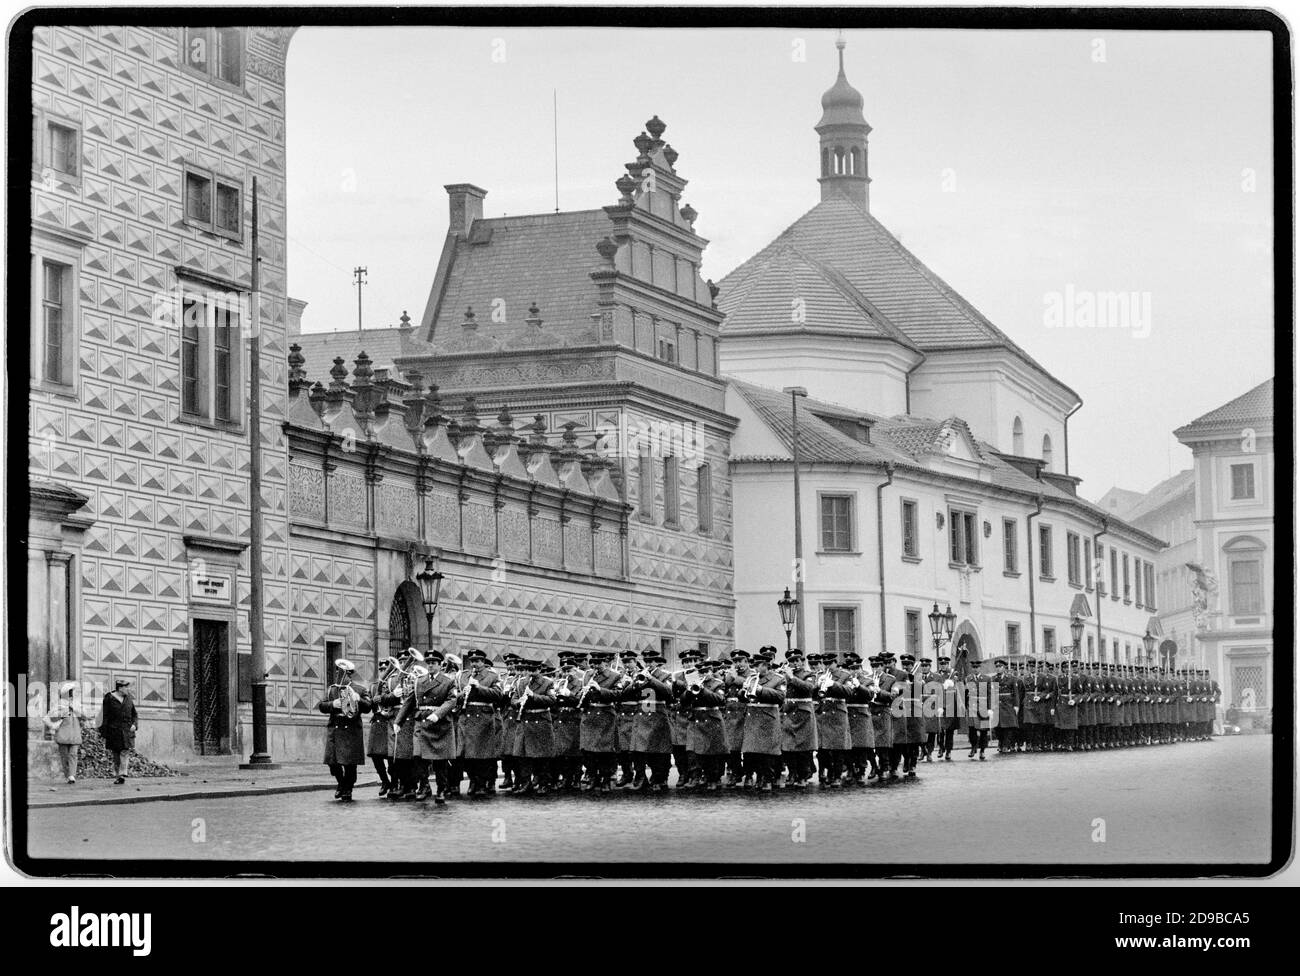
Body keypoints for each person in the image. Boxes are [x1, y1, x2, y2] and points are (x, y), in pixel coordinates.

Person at [395, 649, 456, 803]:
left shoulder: (448, 681)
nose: (430, 666)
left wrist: (438, 714)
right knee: (418, 757)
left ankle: (441, 789)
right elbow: (409, 702)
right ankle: (424, 786)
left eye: (433, 663)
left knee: (440, 761)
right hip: (421, 723)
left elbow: (452, 701)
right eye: (428, 663)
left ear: (440, 665)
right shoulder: (419, 681)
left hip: (440, 725)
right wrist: (398, 722)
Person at [317, 659, 373, 801]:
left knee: (349, 763)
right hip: (335, 728)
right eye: (337, 671)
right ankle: (341, 784)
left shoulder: (359, 689)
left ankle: (348, 788)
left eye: (342, 673)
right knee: (332, 762)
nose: (338, 675)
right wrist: (332, 704)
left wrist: (358, 699)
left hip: (351, 729)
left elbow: (368, 707)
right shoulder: (332, 689)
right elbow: (321, 706)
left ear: (349, 675)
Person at [459, 648, 507, 796]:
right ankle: (473, 780)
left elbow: (498, 695)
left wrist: (479, 688)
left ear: (484, 662)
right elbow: (455, 697)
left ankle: (482, 783)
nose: (475, 664)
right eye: (472, 661)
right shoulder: (463, 676)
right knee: (466, 754)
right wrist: (464, 693)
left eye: (478, 661)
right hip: (467, 717)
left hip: (484, 719)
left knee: (483, 755)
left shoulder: (492, 676)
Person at [627, 649, 674, 791]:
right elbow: (626, 694)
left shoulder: (665, 675)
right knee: (638, 750)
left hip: (658, 715)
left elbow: (669, 693)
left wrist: (651, 680)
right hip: (641, 714)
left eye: (651, 661)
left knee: (658, 750)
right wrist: (635, 683)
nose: (648, 664)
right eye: (646, 661)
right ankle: (641, 778)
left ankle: (659, 778)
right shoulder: (638, 675)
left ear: (657, 662)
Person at [740, 650, 786, 790]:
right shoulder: (752, 678)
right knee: (753, 752)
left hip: (768, 718)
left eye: (760, 665)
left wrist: (760, 690)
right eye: (755, 665)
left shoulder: (778, 678)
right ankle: (757, 777)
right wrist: (743, 692)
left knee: (767, 753)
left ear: (766, 665)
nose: (756, 668)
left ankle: (767, 778)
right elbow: (743, 698)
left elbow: (780, 696)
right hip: (753, 717)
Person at [681, 657, 729, 790]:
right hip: (695, 718)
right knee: (692, 751)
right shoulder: (691, 682)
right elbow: (683, 702)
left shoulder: (718, 683)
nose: (702, 674)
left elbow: (719, 700)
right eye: (700, 672)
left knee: (711, 752)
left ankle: (712, 779)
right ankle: (694, 777)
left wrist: (703, 690)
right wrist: (688, 691)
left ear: (710, 671)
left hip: (711, 719)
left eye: (705, 672)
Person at [780, 648, 819, 787]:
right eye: (791, 661)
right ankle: (792, 773)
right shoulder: (783, 675)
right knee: (788, 747)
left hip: (803, 713)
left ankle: (803, 776)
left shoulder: (809, 674)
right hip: (789, 712)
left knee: (803, 748)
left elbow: (809, 688)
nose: (795, 663)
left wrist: (792, 678)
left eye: (797, 660)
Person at [368, 656, 402, 795]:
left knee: (391, 756)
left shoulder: (394, 683)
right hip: (378, 722)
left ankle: (394, 782)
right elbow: (370, 705)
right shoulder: (374, 686)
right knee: (375, 755)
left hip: (390, 720)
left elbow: (398, 699)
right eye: (381, 669)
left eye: (386, 668)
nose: (383, 671)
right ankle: (384, 781)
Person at [98, 677, 138, 785]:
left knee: (125, 751)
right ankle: (118, 776)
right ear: (120, 688)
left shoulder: (128, 699)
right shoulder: (109, 698)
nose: (127, 690)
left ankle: (123, 772)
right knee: (116, 754)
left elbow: (135, 714)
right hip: (113, 731)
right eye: (126, 687)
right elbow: (104, 715)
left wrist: (135, 724)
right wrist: (103, 731)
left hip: (127, 730)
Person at [45, 681, 86, 783]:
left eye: (72, 693)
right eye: (70, 693)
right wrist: (63, 712)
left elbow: (85, 716)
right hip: (63, 733)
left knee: (73, 754)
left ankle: (72, 776)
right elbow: (51, 716)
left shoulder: (77, 704)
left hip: (74, 733)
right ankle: (68, 775)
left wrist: (75, 709)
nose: (71, 695)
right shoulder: (58, 704)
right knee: (64, 756)